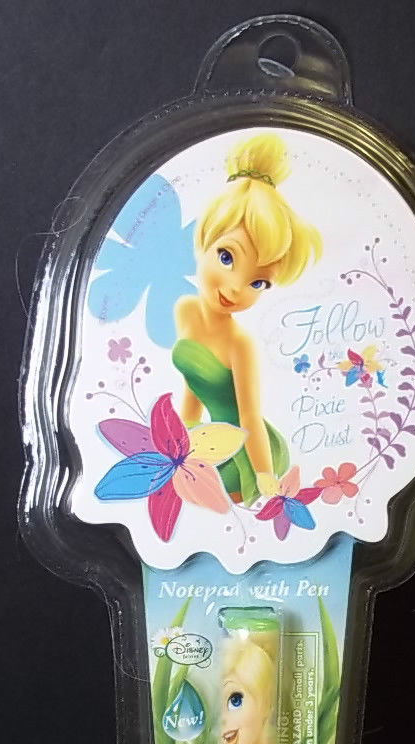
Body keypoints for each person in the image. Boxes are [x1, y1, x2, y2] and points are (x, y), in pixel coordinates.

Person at [173, 132, 322, 505]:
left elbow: (250, 417)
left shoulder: (240, 345)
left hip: (245, 453)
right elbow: (192, 385)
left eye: (258, 282)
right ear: (204, 241)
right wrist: (183, 432)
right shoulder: (185, 311)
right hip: (205, 439)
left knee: (215, 497)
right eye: (226, 257)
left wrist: (264, 476)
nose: (235, 288)